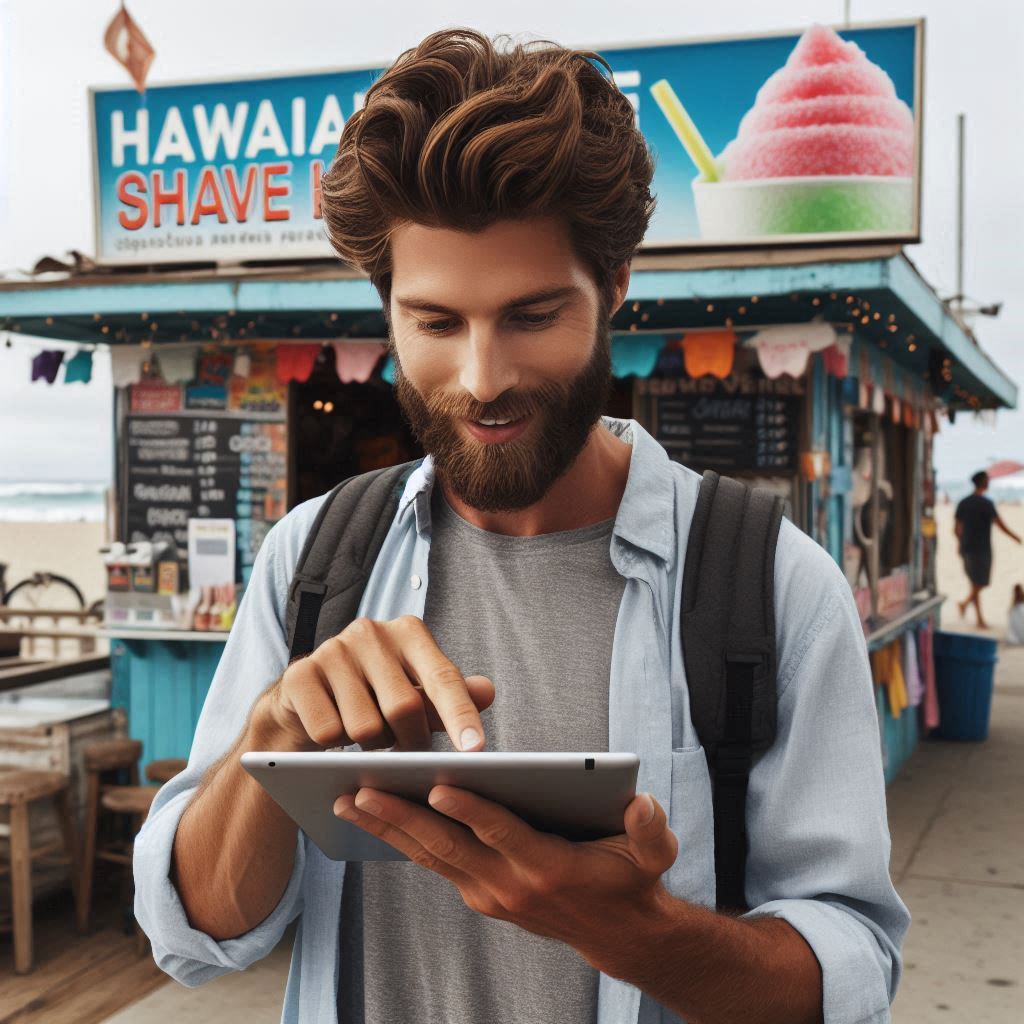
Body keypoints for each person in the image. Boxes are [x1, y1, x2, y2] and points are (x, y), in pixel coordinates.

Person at [134, 29, 909, 1024]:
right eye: (436, 323)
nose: (482, 378)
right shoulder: (314, 560)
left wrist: (644, 935)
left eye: (533, 315)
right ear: (387, 311)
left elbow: (853, 966)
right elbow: (193, 933)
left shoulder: (772, 585)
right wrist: (270, 739)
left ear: (615, 286)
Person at [955, 470, 1022, 629]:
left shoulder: (964, 502)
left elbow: (957, 529)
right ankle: (972, 611)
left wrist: (961, 544)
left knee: (976, 582)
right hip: (981, 548)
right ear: (983, 483)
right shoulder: (986, 504)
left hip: (968, 547)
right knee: (980, 582)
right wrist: (1015, 537)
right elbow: (999, 524)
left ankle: (970, 611)